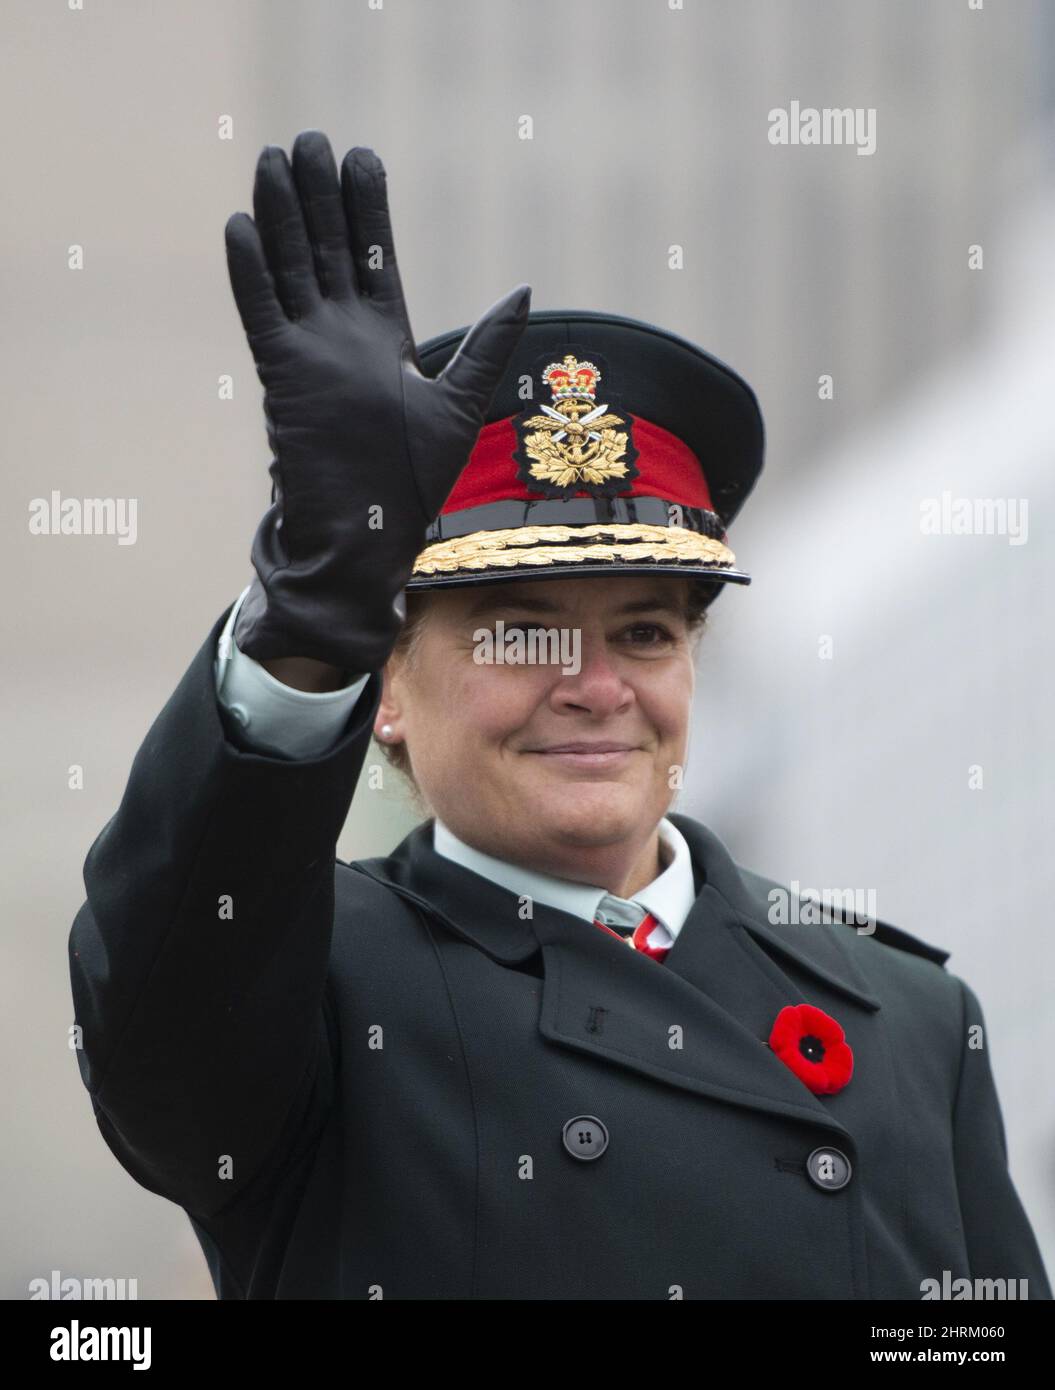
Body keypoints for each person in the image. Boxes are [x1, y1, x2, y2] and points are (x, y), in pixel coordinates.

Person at [68, 130, 1051, 1301]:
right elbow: (165, 1029)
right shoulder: (315, 990)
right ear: (384, 686)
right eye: (513, 629)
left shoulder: (910, 1020)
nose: (593, 685)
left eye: (643, 631)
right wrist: (313, 606)